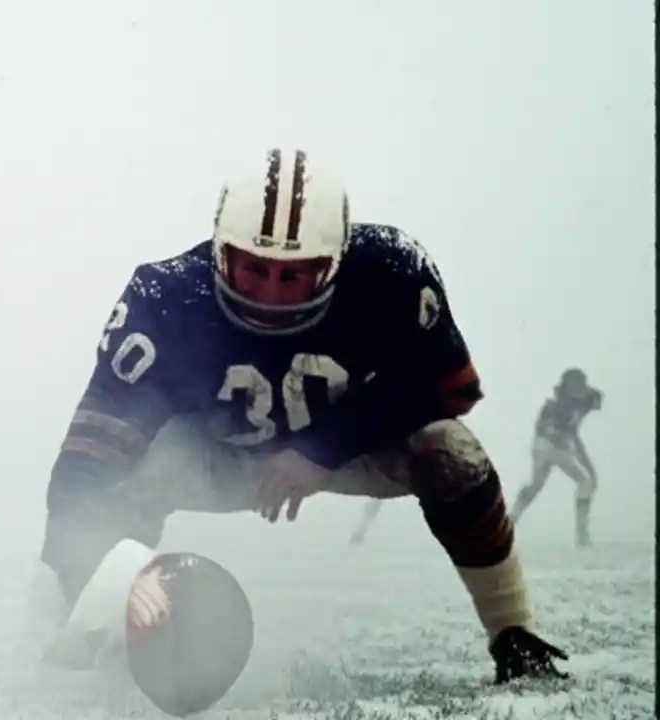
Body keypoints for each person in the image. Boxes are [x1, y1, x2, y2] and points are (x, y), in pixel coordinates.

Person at [38, 148, 568, 687]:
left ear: (334, 264)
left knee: (450, 450)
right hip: (216, 459)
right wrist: (110, 574)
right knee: (117, 485)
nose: (270, 296)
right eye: (254, 270)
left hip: (347, 452)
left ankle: (514, 633)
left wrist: (324, 448)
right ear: (221, 253)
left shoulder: (391, 272)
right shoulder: (165, 300)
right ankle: (89, 625)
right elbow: (84, 466)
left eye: (292, 276)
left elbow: (453, 390)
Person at [510, 368, 603, 546]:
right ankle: (582, 536)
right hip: (550, 446)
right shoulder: (563, 407)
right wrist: (588, 466)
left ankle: (511, 520)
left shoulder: (571, 405)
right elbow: (563, 434)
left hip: (544, 446)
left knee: (536, 485)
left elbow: (571, 436)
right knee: (585, 482)